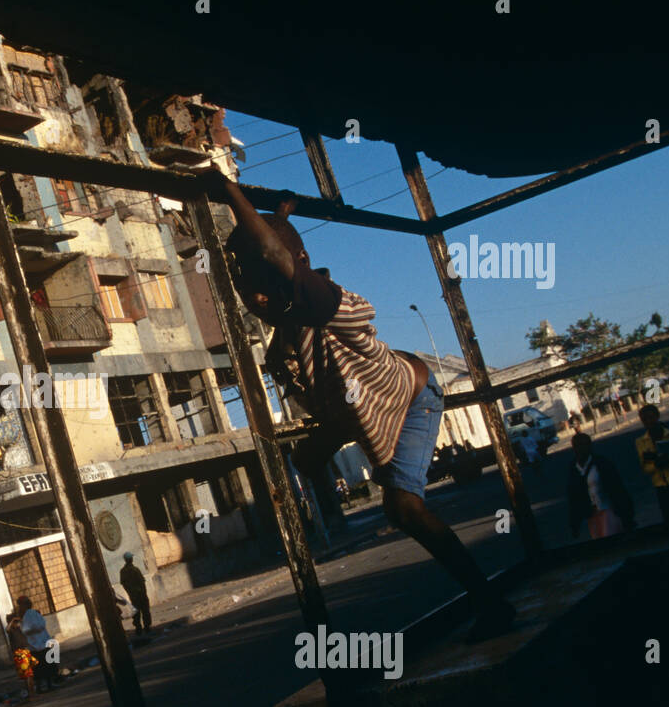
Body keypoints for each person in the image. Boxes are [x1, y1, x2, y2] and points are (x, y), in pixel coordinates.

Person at [207, 167, 515, 643]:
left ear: (296, 267)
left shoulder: (326, 304)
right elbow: (276, 250)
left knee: (404, 508)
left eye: (265, 282)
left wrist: (227, 189)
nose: (258, 297)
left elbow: (275, 252)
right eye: (248, 290)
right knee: (308, 462)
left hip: (407, 398)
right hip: (355, 410)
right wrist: (282, 213)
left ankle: (489, 600)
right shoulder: (288, 322)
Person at [567, 432, 634, 540]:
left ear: (589, 446)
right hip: (592, 515)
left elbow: (617, 488)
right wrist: (575, 525)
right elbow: (573, 497)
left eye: (584, 445)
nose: (581, 449)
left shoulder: (602, 463)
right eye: (577, 446)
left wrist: (627, 514)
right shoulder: (574, 470)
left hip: (608, 510)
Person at [17, 596, 60, 691]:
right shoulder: (28, 615)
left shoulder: (29, 614)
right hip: (39, 644)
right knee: (44, 667)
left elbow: (29, 628)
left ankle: (43, 686)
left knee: (40, 668)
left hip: (37, 645)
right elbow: (38, 626)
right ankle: (46, 686)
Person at [118, 552, 152, 637]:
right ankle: (147, 627)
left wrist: (130, 592)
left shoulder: (123, 571)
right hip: (140, 594)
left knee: (136, 612)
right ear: (130, 559)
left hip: (133, 595)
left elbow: (123, 583)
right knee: (145, 610)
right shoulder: (135, 570)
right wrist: (143, 592)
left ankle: (138, 628)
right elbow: (142, 582)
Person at [6, 612, 39, 698]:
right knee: (27, 674)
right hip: (19, 654)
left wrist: (19, 619)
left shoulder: (19, 629)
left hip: (26, 651)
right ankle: (31, 694)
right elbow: (7, 629)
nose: (17, 623)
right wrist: (12, 620)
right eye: (15, 622)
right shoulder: (11, 631)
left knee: (30, 673)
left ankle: (32, 692)